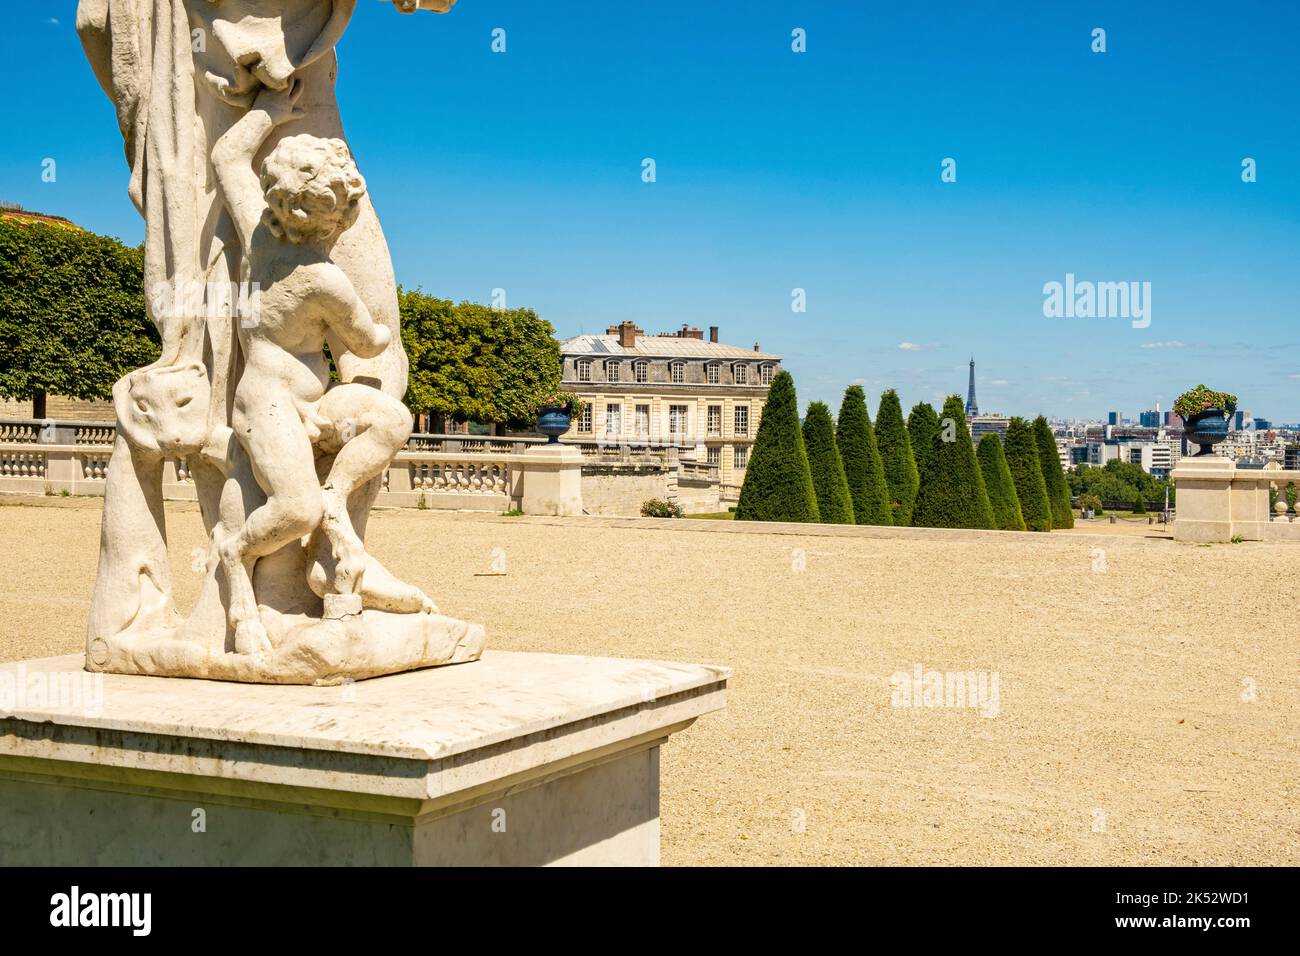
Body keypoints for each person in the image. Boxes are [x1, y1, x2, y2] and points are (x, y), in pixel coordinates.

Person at [211, 81, 431, 654]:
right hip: (269, 402)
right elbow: (373, 339)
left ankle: (334, 496)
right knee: (294, 508)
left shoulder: (257, 233)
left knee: (387, 418)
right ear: (343, 213)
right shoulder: (327, 279)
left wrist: (268, 112)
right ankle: (236, 557)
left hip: (302, 396)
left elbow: (227, 157)